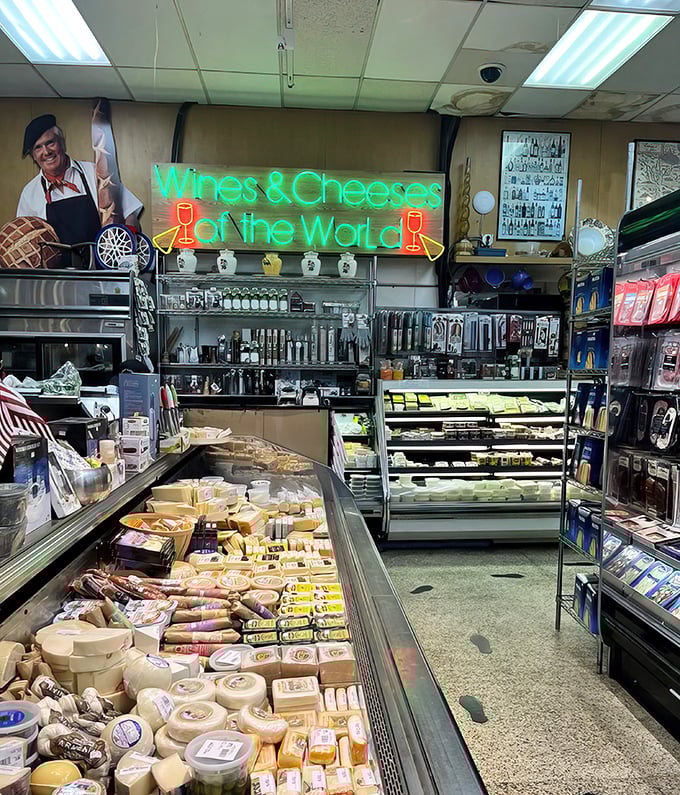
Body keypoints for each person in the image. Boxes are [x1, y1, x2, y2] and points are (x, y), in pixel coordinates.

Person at [16, 114, 142, 252]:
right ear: (33, 156)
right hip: (57, 267)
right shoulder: (29, 193)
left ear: (62, 142)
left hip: (101, 264)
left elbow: (130, 213)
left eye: (50, 142)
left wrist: (125, 245)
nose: (46, 152)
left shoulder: (96, 173)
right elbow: (25, 242)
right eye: (38, 147)